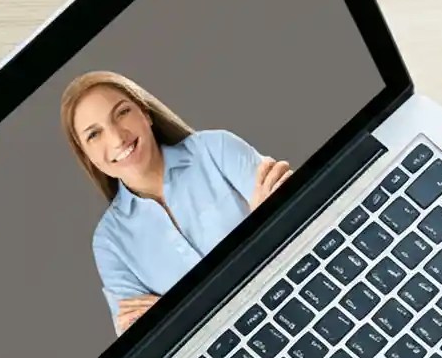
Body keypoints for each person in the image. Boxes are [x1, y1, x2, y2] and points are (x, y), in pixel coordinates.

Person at [61, 71, 294, 334]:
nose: (116, 138)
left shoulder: (214, 149)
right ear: (87, 156)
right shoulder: (108, 243)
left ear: (145, 113)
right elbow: (146, 338)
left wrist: (178, 310)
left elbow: (296, 217)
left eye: (122, 113)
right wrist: (256, 232)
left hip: (288, 294)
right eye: (94, 134)